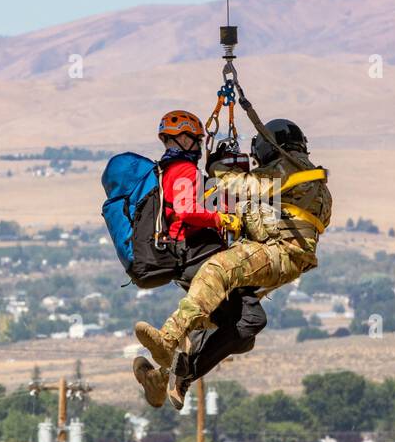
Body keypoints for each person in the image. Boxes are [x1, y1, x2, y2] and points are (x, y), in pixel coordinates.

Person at [134, 118, 331, 404]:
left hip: (278, 252)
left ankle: (169, 336)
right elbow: (274, 214)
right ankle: (162, 378)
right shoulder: (312, 179)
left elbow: (240, 185)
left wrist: (217, 167)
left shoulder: (289, 168)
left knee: (218, 269)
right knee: (236, 319)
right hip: (286, 257)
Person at [131, 110, 268, 409]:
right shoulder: (183, 169)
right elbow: (185, 210)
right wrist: (220, 218)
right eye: (195, 139)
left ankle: (161, 375)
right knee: (250, 319)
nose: (198, 144)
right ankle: (181, 372)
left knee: (242, 335)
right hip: (199, 255)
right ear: (182, 138)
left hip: (190, 258)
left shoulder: (169, 169)